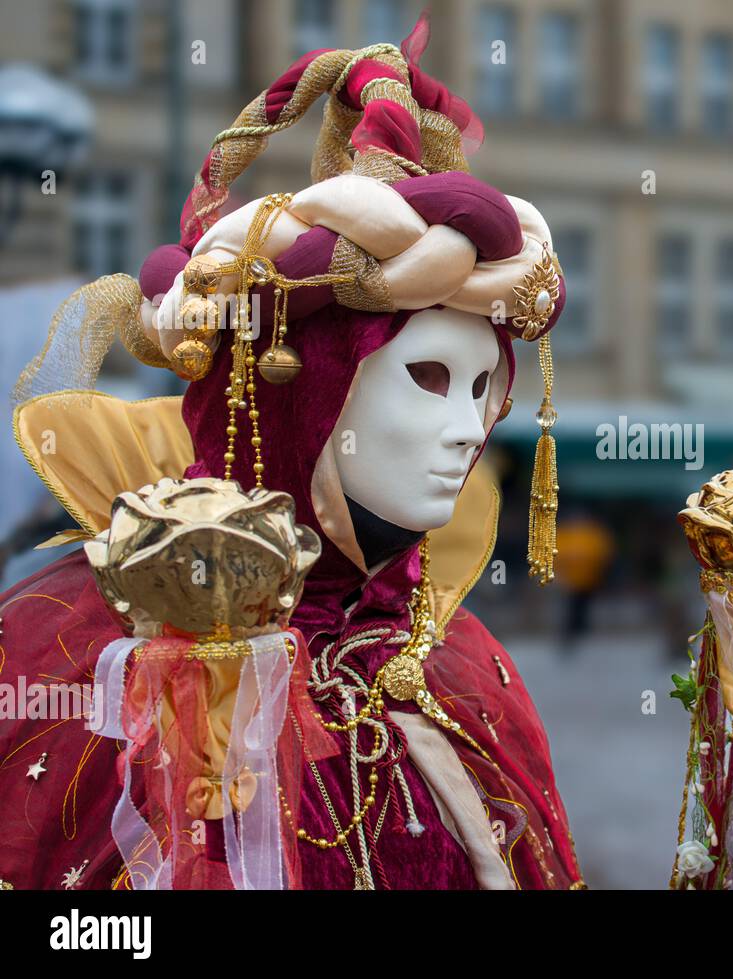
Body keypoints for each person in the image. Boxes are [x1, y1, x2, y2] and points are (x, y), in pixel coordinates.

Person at [0, 19, 582, 890]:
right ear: (295, 396)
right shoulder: (80, 660)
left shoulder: (459, 667)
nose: (467, 431)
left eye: (482, 391)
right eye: (426, 377)